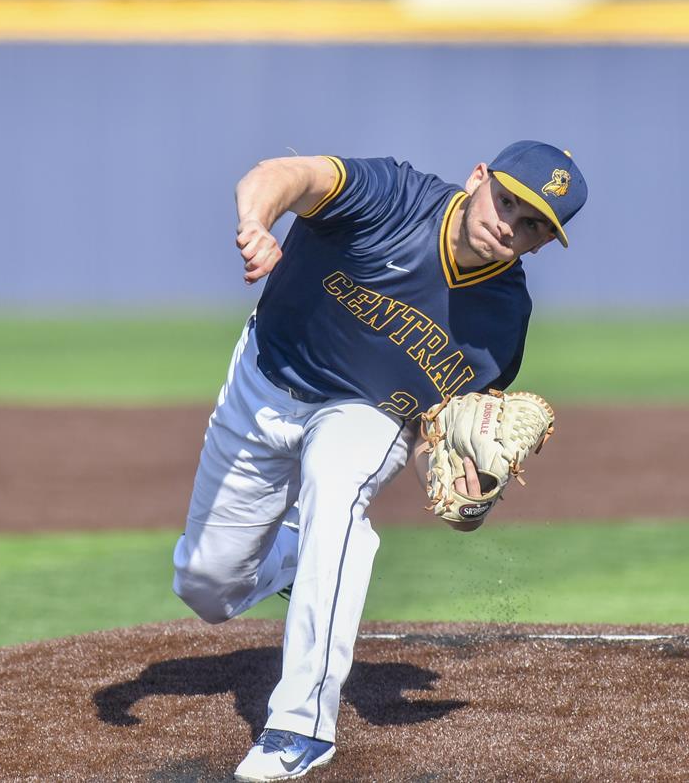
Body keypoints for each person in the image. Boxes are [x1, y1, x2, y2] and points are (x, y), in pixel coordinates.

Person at [171, 141, 587, 781]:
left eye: (533, 224)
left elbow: (434, 438)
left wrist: (465, 498)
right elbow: (286, 174)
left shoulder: (503, 320)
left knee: (337, 498)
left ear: (542, 243)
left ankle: (302, 727)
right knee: (207, 586)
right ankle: (292, 556)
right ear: (478, 177)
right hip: (264, 380)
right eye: (507, 201)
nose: (510, 225)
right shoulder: (394, 199)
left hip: (365, 414)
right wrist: (257, 221)